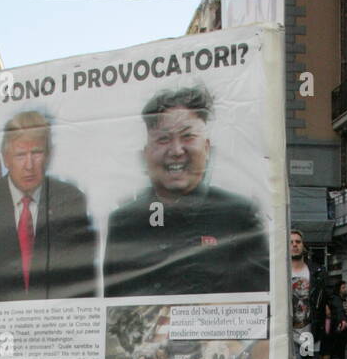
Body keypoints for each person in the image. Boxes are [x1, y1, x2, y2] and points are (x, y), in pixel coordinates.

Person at [104, 85, 269, 297]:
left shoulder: (239, 216)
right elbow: (112, 306)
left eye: (187, 136)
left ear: (207, 148)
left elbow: (259, 304)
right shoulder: (123, 222)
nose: (176, 151)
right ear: (146, 153)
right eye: (163, 139)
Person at [0, 111, 97, 302]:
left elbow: (83, 277)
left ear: (49, 155)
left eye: (36, 153)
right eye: (20, 155)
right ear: (6, 158)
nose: (29, 165)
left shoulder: (71, 200)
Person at [291, 230, 315, 359]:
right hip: (287, 332)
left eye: (298, 241)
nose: (295, 245)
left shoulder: (314, 270)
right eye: (291, 242)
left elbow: (327, 296)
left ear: (303, 245)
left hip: (307, 334)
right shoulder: (279, 270)